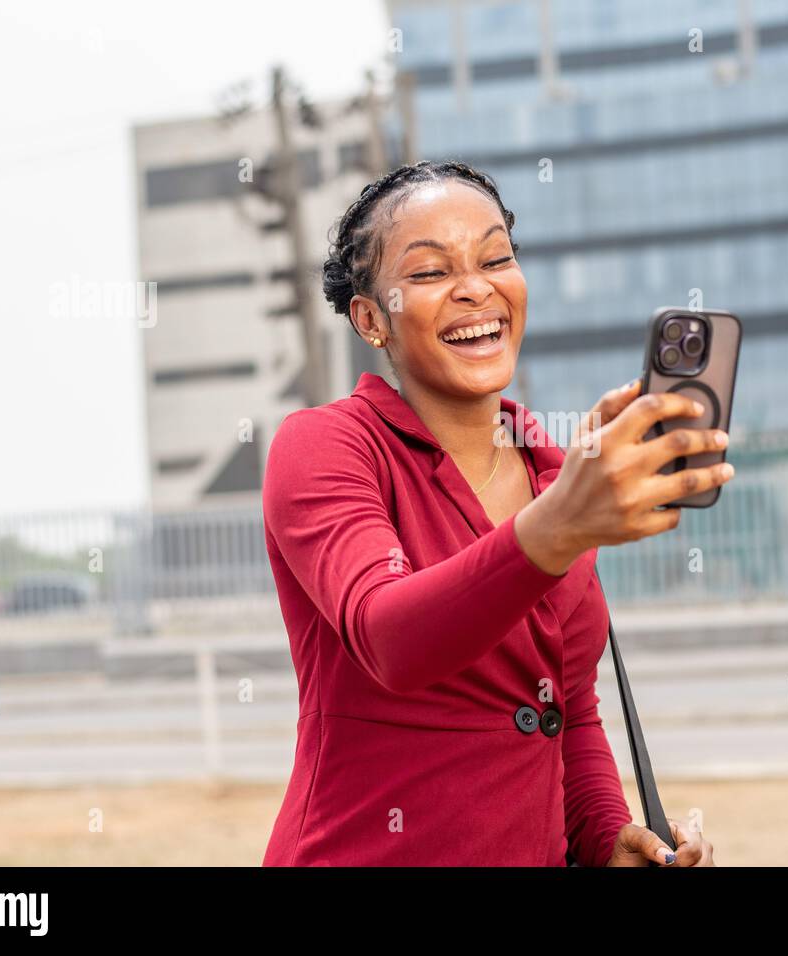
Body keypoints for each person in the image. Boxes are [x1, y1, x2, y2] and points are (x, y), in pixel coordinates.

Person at [261, 159, 731, 866]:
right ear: (370, 319)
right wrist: (560, 525)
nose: (475, 288)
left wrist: (608, 837)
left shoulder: (552, 470)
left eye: (496, 258)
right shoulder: (326, 447)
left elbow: (565, 710)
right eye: (428, 273)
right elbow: (390, 637)